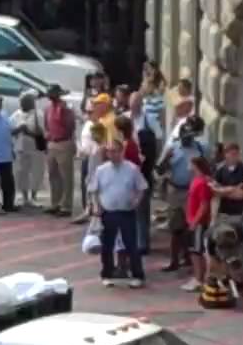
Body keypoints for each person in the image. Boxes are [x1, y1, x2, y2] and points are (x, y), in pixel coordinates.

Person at [89, 140, 148, 288]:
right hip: (108, 212)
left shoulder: (132, 169)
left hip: (126, 212)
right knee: (107, 246)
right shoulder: (101, 170)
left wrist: (137, 201)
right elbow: (94, 190)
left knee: (131, 245)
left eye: (115, 151)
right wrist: (96, 206)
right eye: (109, 151)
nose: (112, 154)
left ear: (122, 151)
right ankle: (107, 273)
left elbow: (142, 187)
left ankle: (137, 275)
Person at [159, 117, 208, 273]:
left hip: (192, 191)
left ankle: (188, 258)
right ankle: (174, 260)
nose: (187, 139)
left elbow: (208, 167)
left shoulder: (200, 148)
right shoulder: (173, 148)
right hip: (176, 189)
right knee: (175, 227)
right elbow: (159, 170)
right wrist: (166, 159)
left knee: (191, 226)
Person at [44, 84, 76, 217]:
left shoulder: (65, 108)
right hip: (52, 143)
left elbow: (70, 126)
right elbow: (46, 125)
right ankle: (55, 202)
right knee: (53, 175)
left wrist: (62, 112)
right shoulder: (47, 108)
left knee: (66, 176)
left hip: (64, 142)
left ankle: (66, 205)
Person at [184, 156, 215, 292]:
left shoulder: (202, 183)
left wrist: (195, 221)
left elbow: (204, 205)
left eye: (190, 163)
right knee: (193, 250)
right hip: (191, 220)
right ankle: (196, 277)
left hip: (199, 222)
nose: (188, 166)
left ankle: (199, 279)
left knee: (197, 251)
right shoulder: (195, 180)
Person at [10, 91, 45, 207]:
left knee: (36, 172)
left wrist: (28, 132)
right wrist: (19, 129)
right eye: (22, 102)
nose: (22, 105)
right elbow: (10, 131)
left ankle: (33, 196)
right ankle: (25, 197)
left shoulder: (38, 115)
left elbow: (42, 133)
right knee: (21, 173)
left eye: (26, 102)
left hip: (35, 149)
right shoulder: (16, 115)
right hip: (20, 148)